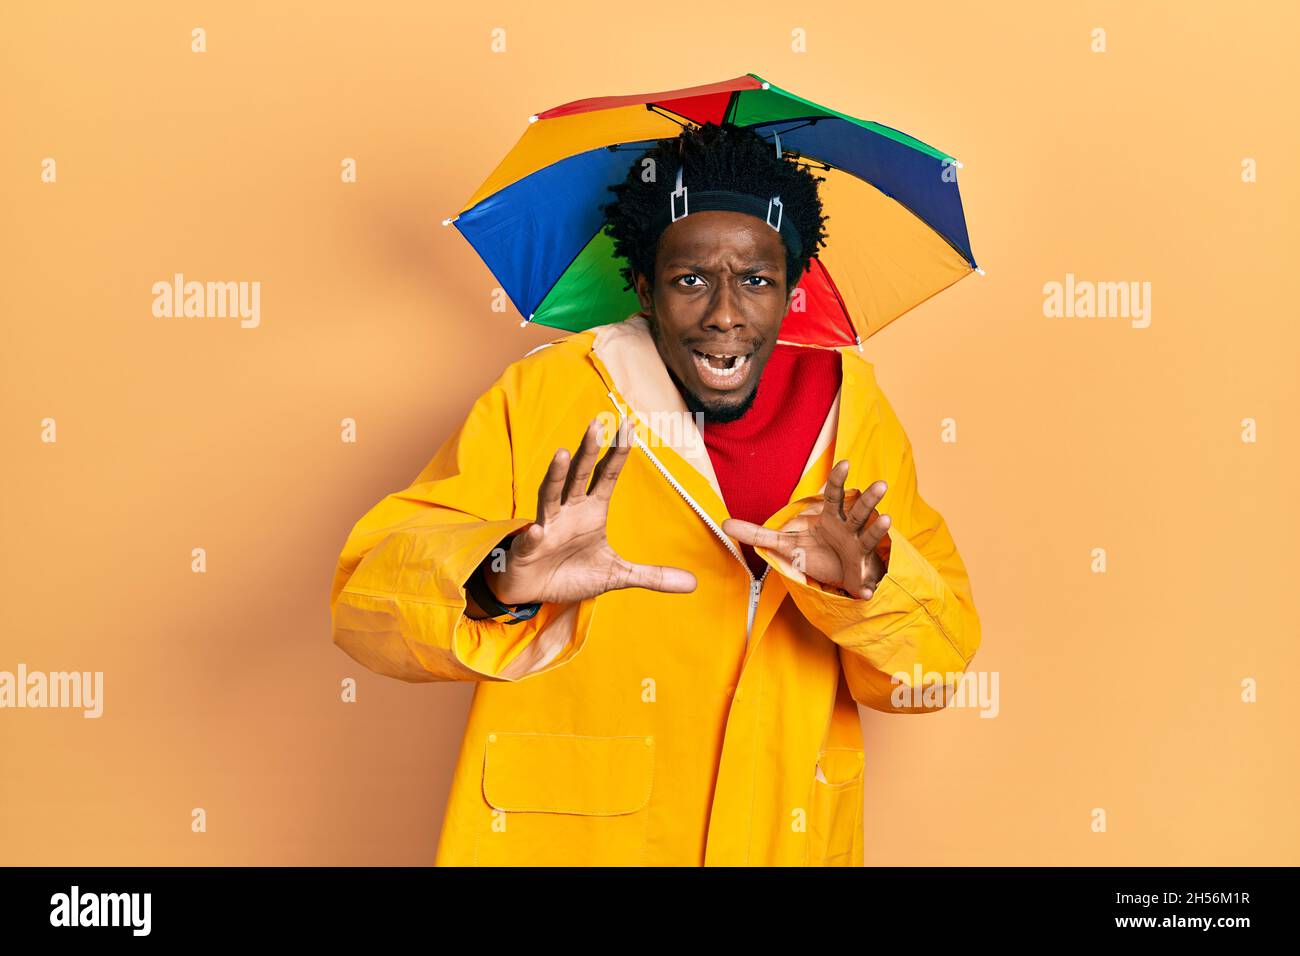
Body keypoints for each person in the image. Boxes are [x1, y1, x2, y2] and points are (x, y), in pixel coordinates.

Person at [328, 121, 981, 866]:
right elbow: (364, 601)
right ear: (643, 286)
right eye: (691, 279)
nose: (726, 314)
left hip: (784, 834)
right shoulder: (547, 393)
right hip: (575, 838)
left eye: (757, 279)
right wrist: (501, 575)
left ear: (793, 289)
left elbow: (931, 676)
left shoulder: (853, 410)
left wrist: (865, 587)